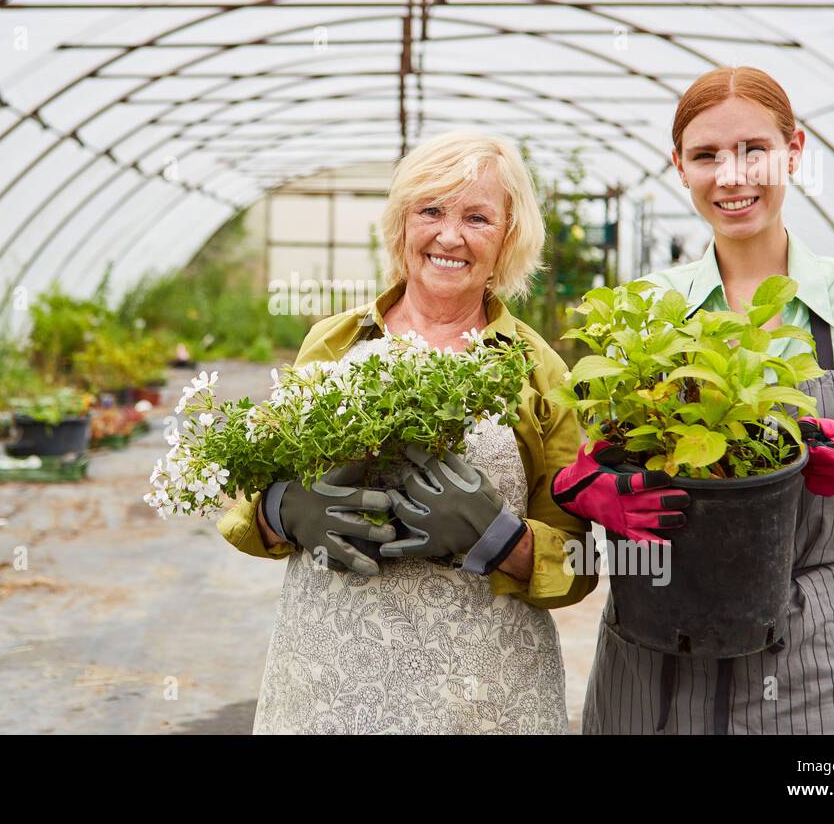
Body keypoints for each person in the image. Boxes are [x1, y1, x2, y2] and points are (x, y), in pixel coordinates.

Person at [554, 66, 834, 734]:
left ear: (795, 153)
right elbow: (596, 455)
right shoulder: (645, 311)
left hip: (810, 651)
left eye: (755, 150)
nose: (733, 176)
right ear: (679, 167)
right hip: (656, 646)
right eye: (706, 155)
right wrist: (586, 485)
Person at [216, 130, 609, 734]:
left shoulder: (537, 369)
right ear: (402, 224)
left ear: (508, 238)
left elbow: (578, 561)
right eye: (431, 210)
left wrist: (499, 537)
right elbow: (249, 500)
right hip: (329, 685)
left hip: (484, 696)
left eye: (477, 217)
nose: (449, 236)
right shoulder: (337, 342)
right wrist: (283, 507)